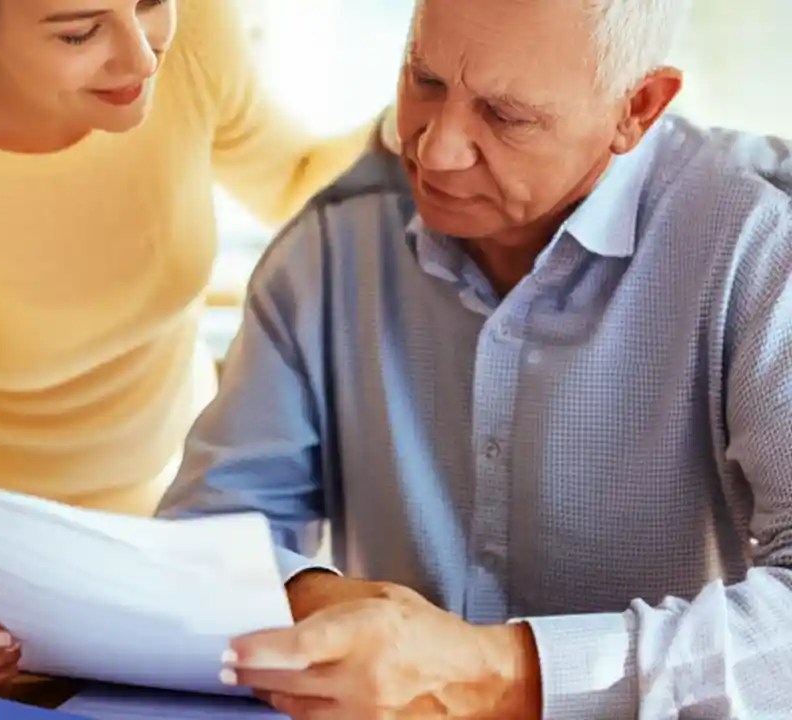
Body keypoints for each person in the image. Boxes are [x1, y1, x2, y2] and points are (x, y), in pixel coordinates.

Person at [156, 0, 792, 717]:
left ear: (637, 108)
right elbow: (204, 539)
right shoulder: (335, 240)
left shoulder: (762, 243)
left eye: (506, 115)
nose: (435, 150)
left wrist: (497, 672)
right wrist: (315, 600)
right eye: (424, 80)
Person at [0, 0, 396, 693]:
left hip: (148, 549)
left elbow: (293, 181)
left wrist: (417, 122)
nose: (142, 56)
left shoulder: (195, 37)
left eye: (150, 2)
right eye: (79, 31)